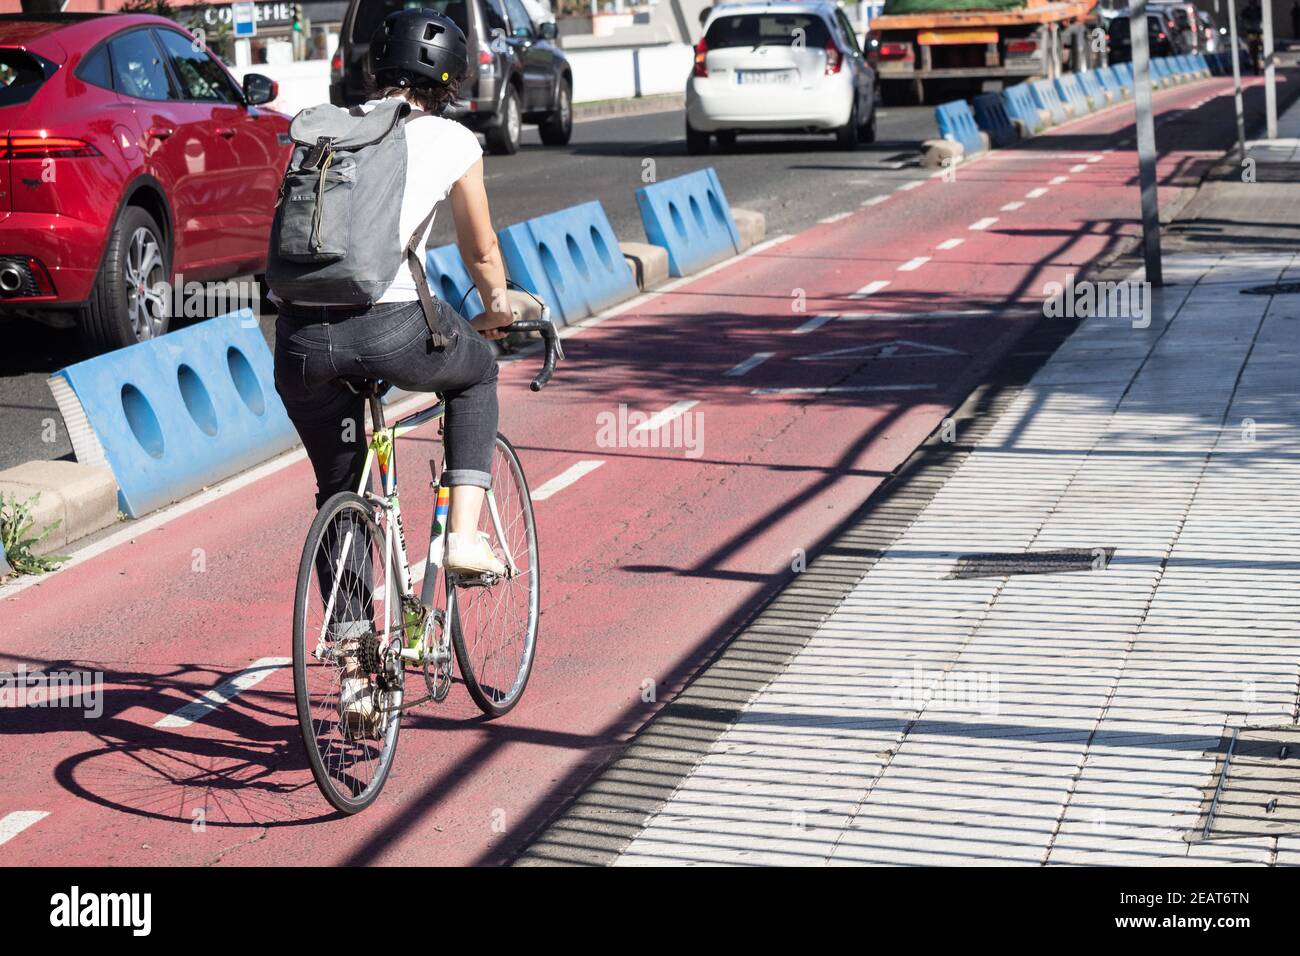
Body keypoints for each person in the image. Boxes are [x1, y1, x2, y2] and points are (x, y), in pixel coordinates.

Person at [273, 8, 512, 581]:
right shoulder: (453, 138)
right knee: (476, 373)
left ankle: (353, 655)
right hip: (391, 327)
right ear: (450, 81)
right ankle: (462, 539)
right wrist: (499, 308)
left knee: (338, 484)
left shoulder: (323, 128)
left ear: (375, 68)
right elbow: (480, 253)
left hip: (300, 343)